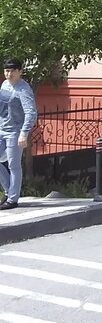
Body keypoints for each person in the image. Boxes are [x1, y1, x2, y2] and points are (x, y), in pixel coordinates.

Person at [0, 59, 37, 210]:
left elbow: (31, 113)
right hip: (1, 128)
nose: (8, 74)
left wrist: (23, 133)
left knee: (13, 165)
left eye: (12, 71)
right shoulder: (4, 85)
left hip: (15, 132)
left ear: (20, 71)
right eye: (6, 71)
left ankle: (13, 199)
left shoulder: (23, 89)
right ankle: (9, 192)